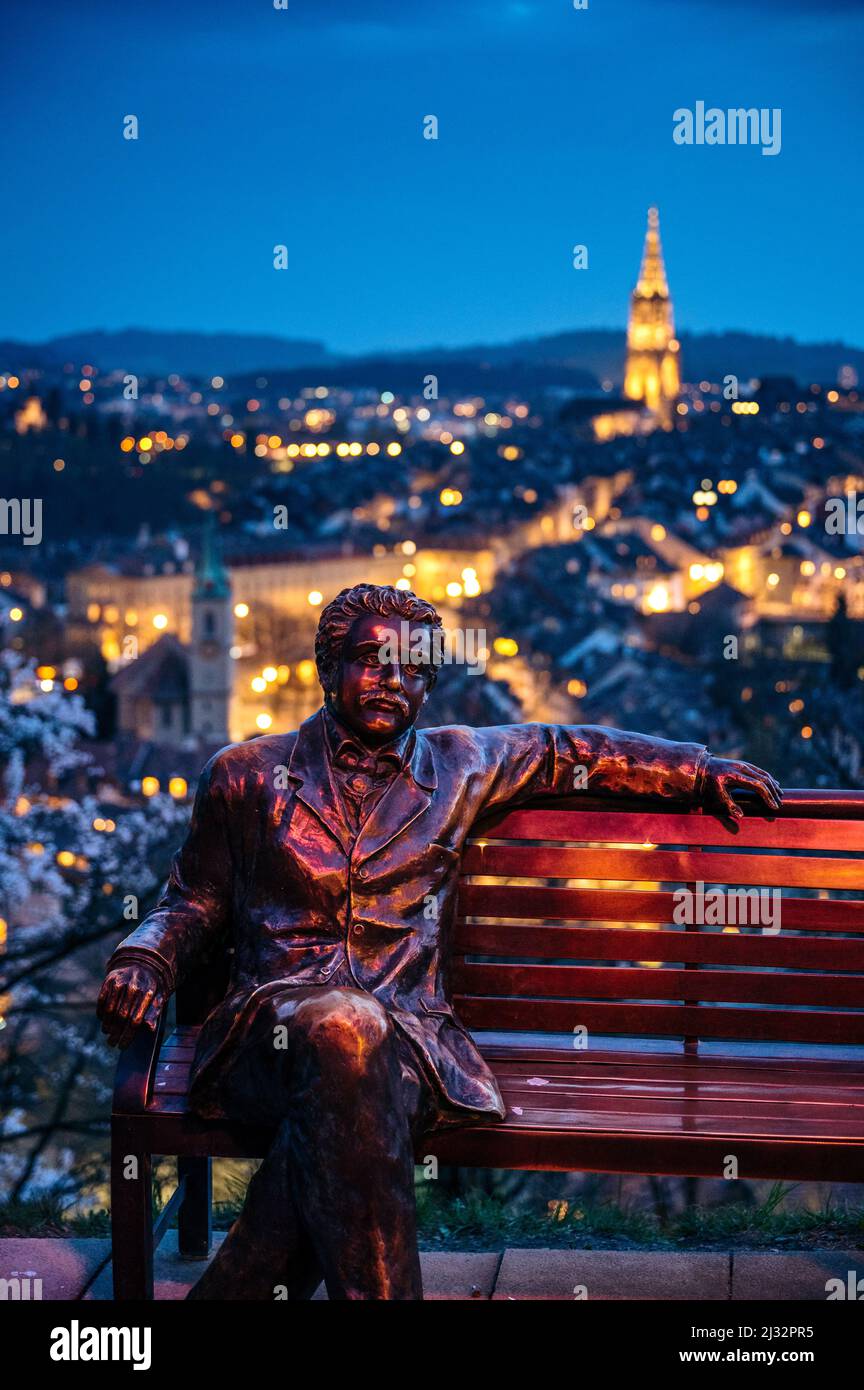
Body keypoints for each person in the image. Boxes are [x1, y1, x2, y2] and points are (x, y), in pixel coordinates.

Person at [97, 583, 781, 1299]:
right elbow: (192, 900)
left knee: (347, 1093)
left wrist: (697, 769)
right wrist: (146, 955)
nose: (392, 680)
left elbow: (568, 748)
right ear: (328, 669)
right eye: (370, 660)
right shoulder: (246, 775)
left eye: (412, 667)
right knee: (343, 1026)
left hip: (410, 1047)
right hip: (265, 1040)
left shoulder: (461, 764)